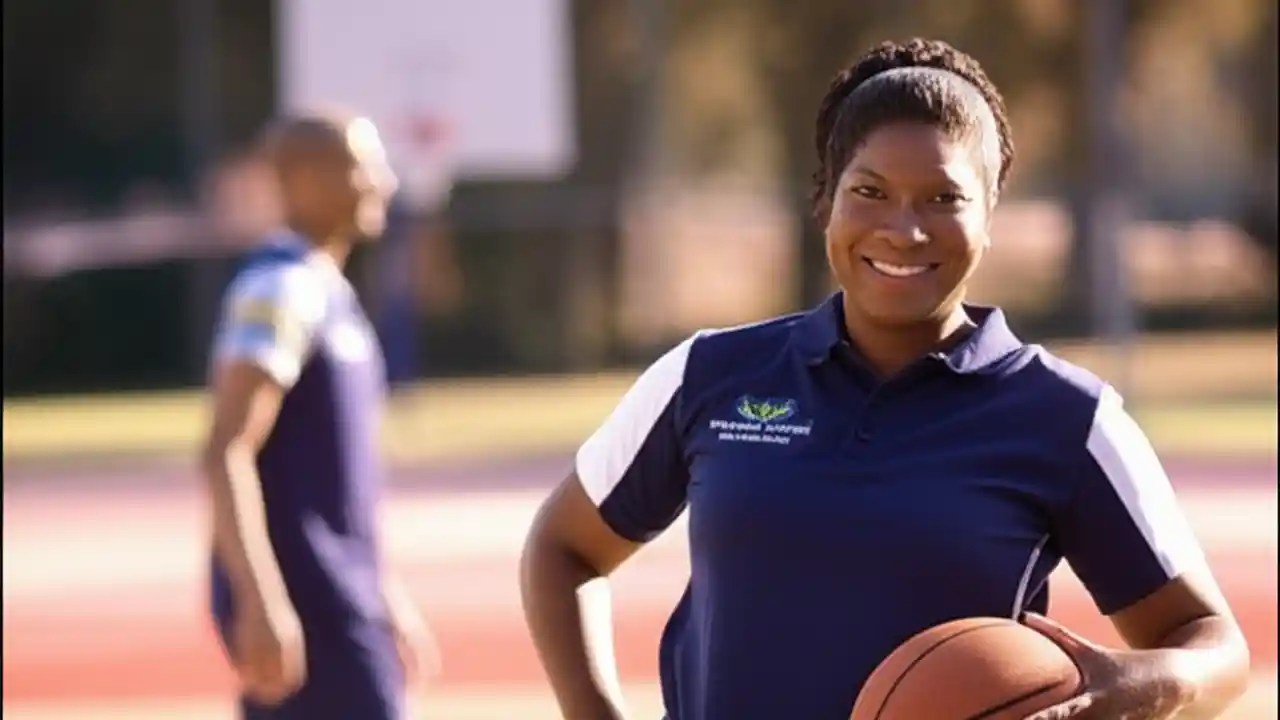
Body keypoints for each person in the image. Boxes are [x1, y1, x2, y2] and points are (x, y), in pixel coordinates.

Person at [520, 38, 1250, 720]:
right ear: (825, 200)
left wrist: (1126, 685)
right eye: (870, 191)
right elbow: (563, 549)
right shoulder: (710, 374)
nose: (905, 230)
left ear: (990, 211)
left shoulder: (1066, 418)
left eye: (944, 198)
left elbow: (1215, 645)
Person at [201, 111, 434, 719]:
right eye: (364, 166)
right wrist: (261, 601)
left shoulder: (328, 289)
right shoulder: (279, 290)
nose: (382, 182)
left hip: (340, 595)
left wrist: (381, 592)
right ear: (302, 180)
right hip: (308, 599)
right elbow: (227, 448)